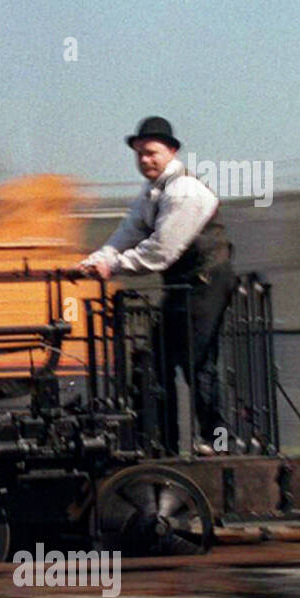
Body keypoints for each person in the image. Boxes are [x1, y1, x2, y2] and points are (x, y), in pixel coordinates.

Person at [78, 117, 237, 454]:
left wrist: (115, 265)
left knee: (197, 362)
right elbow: (130, 230)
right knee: (156, 362)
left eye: (151, 153)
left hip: (205, 282)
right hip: (182, 286)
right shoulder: (153, 193)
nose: (145, 160)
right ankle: (160, 443)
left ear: (172, 151)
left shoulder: (185, 192)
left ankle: (218, 442)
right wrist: (99, 256)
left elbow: (161, 251)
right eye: (140, 155)